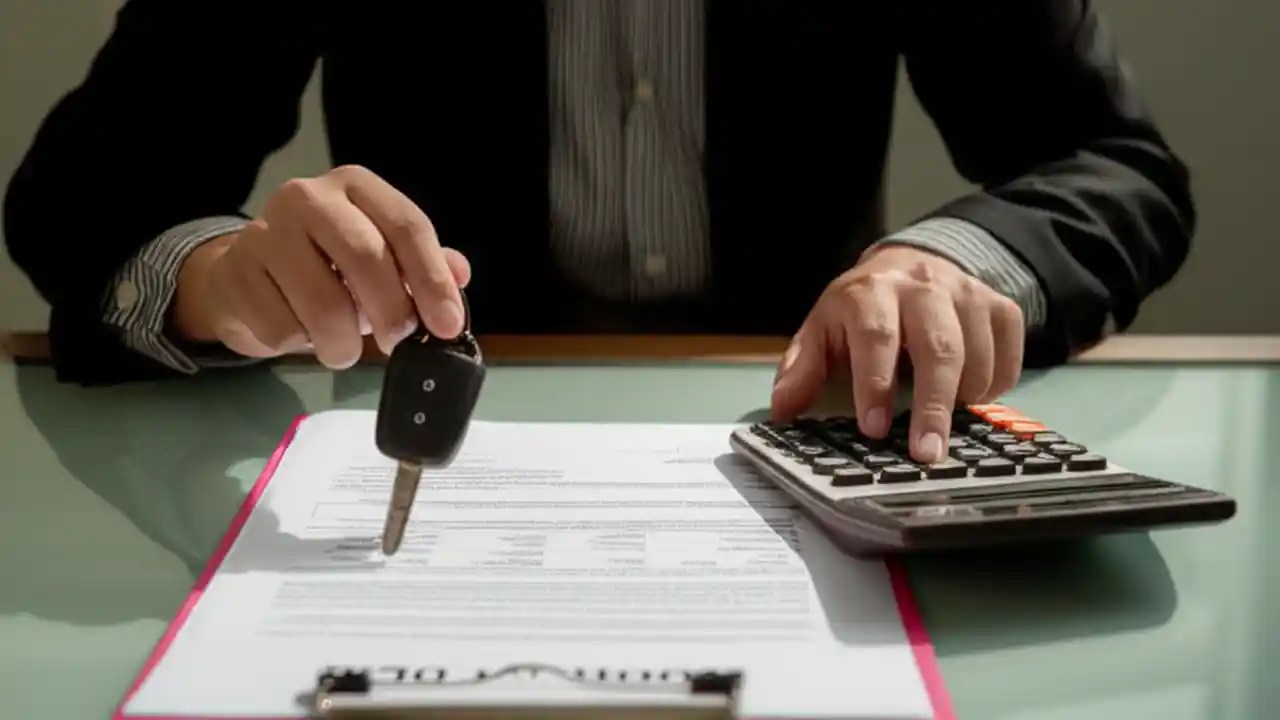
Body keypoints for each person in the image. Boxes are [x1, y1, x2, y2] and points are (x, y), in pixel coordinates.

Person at [2, 1, 1193, 465]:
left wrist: (946, 259)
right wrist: (214, 279)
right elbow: (77, 193)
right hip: (433, 454)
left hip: (822, 437)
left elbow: (1111, 165)